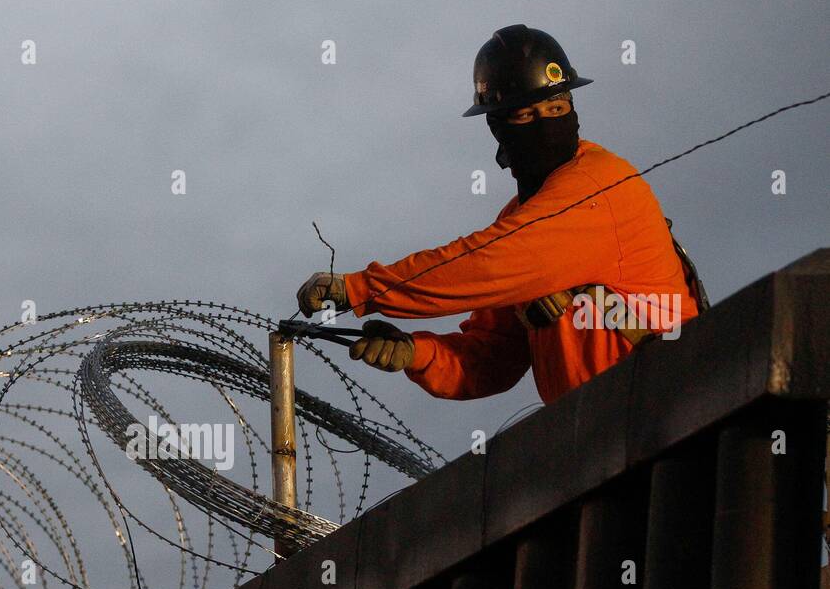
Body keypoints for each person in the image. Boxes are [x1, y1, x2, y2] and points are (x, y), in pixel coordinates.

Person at [296, 25, 704, 405]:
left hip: (675, 409)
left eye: (557, 108)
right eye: (526, 115)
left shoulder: (600, 185)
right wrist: (417, 353)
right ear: (498, 127)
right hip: (600, 438)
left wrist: (363, 288)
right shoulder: (522, 216)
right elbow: (492, 358)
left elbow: (485, 266)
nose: (545, 124)